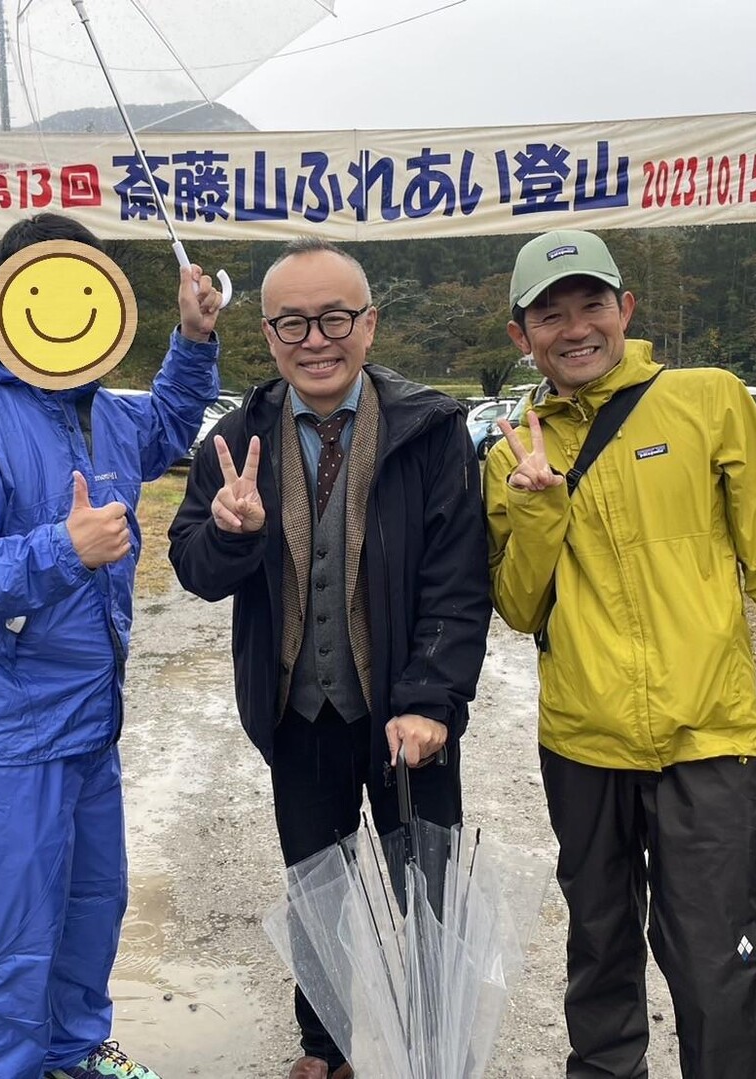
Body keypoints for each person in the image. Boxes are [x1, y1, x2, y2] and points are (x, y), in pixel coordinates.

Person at [484, 228, 756, 1079]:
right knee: (598, 951)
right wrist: (538, 510)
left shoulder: (709, 401)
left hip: (707, 740)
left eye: (591, 304)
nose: (575, 327)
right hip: (582, 742)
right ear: (522, 337)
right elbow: (520, 607)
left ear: (626, 310)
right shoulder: (513, 451)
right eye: (549, 314)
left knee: (719, 964)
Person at [0, 212, 222, 1079]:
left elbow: (164, 429)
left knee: (90, 906)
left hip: (89, 724)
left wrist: (193, 340)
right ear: (7, 300)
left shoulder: (102, 414)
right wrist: (59, 550)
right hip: (2, 739)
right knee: (10, 937)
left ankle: (77, 1052)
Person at [167, 237, 491, 1079]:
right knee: (317, 884)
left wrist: (430, 698)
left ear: (370, 324)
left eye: (335, 318)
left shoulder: (432, 432)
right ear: (268, 334)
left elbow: (458, 582)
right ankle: (327, 1043)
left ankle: (431, 1040)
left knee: (426, 884)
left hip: (405, 713)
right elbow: (194, 568)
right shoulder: (234, 442)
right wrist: (232, 534)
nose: (316, 340)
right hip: (298, 710)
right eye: (293, 322)